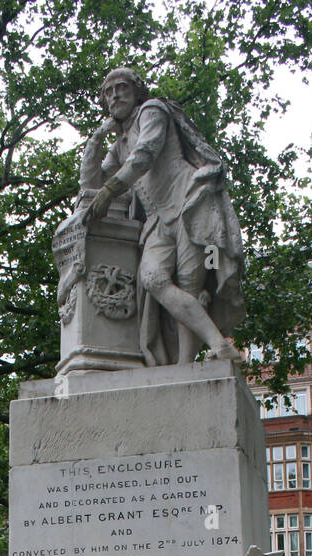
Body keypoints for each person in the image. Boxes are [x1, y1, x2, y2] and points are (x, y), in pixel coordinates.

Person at [80, 67, 245, 367]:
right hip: (157, 221)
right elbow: (93, 183)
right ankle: (216, 344)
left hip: (189, 205)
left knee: (190, 285)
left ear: (136, 91)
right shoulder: (118, 144)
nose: (114, 95)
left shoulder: (152, 111)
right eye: (108, 92)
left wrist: (109, 190)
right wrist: (96, 140)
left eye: (121, 88)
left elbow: (144, 154)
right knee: (153, 278)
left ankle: (193, 362)